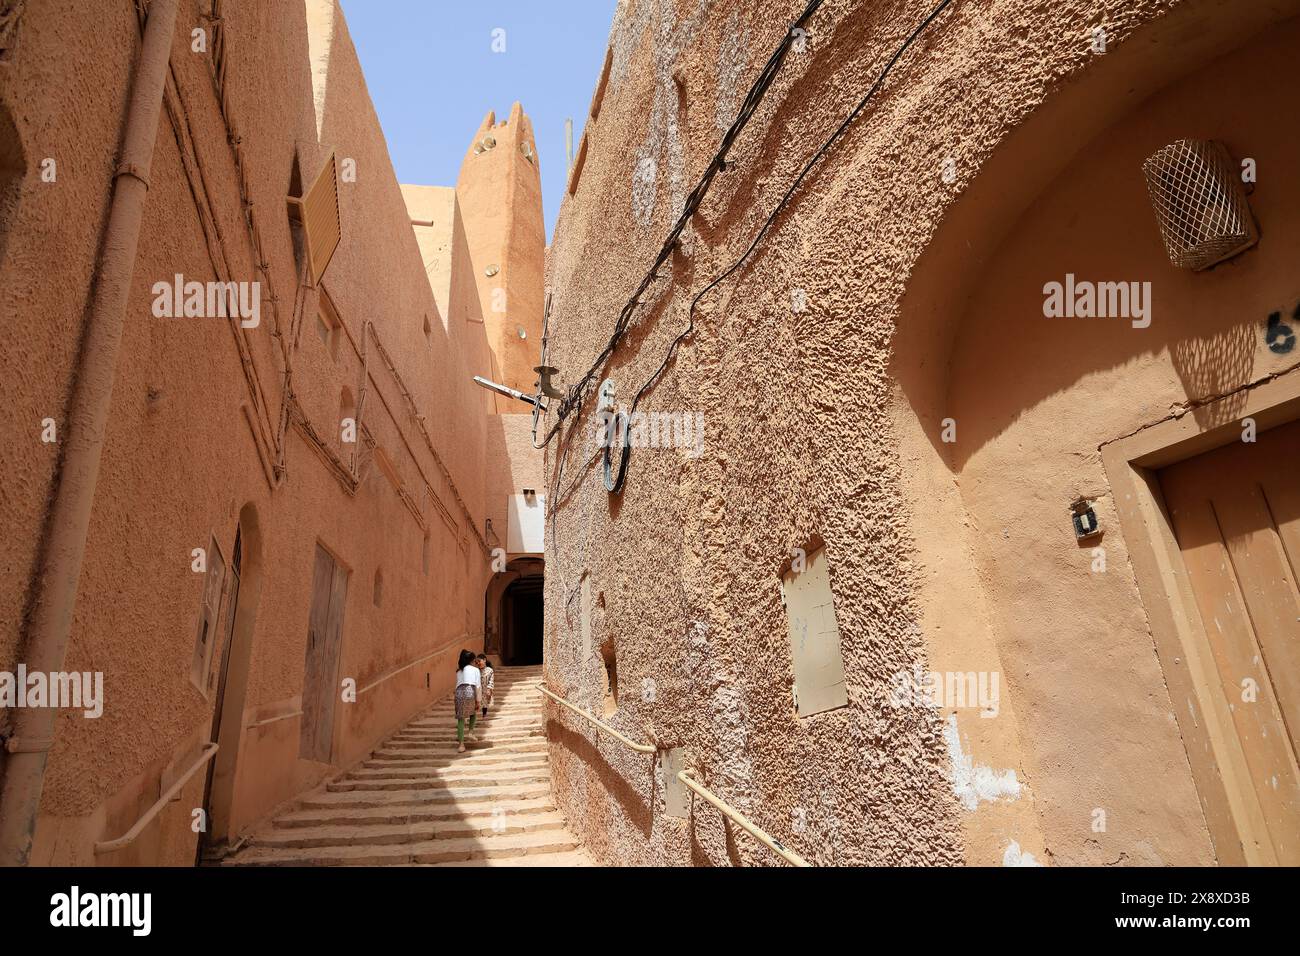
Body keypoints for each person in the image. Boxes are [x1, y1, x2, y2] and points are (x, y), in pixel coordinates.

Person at [453, 649, 481, 753]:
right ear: (471, 660)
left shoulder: (459, 671)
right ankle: (470, 732)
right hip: (470, 690)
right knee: (473, 712)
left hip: (459, 692)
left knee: (461, 719)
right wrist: (478, 700)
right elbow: (478, 686)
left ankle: (461, 745)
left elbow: (458, 684)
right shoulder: (475, 670)